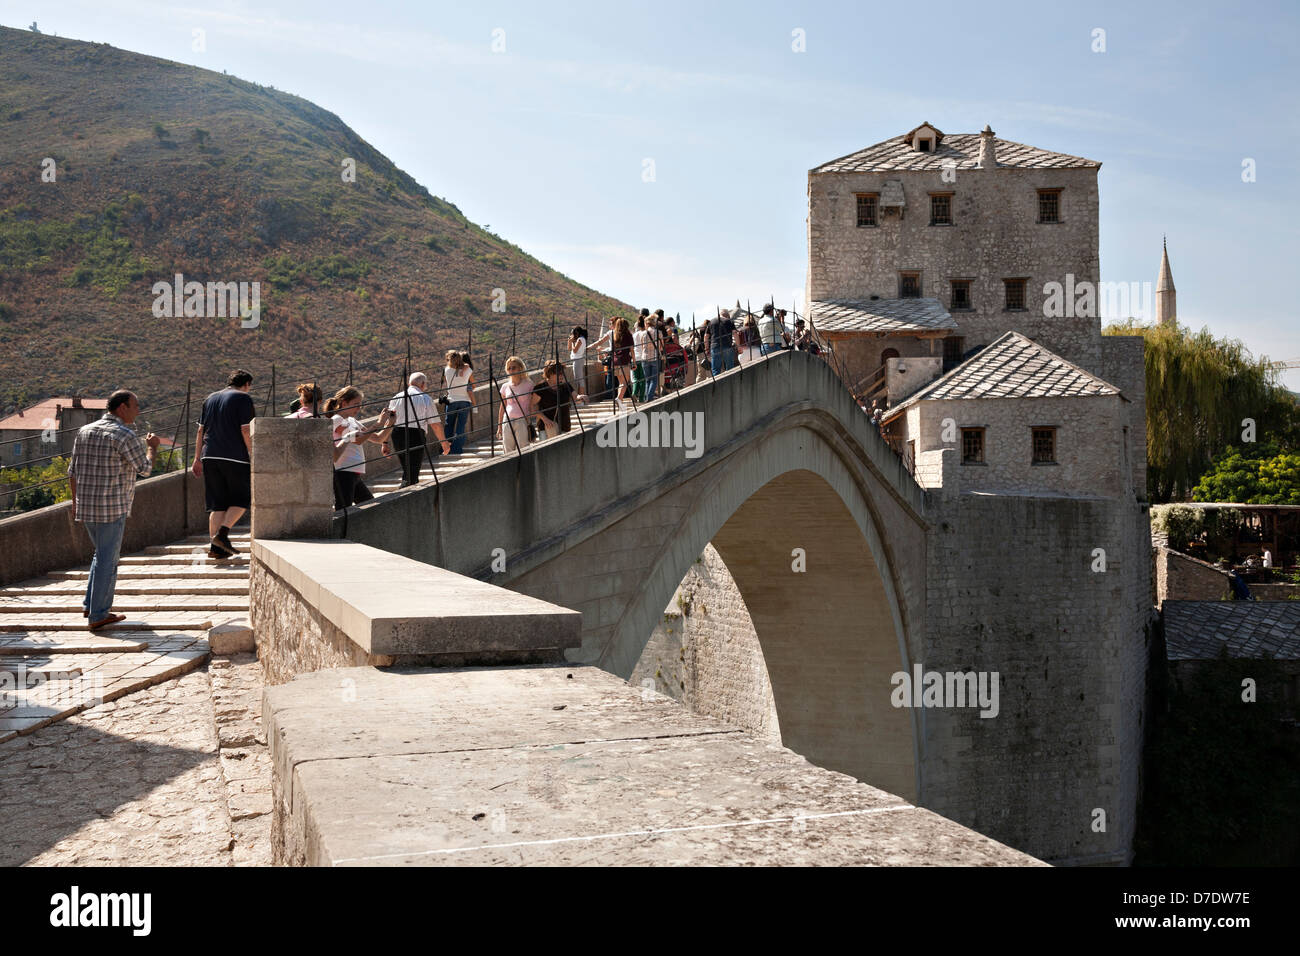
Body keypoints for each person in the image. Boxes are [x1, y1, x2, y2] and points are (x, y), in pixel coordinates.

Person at [66, 390, 160, 629]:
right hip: (111, 507)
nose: (138, 410)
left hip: (86, 506)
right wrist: (153, 447)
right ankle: (99, 615)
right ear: (122, 408)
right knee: (108, 559)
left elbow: (72, 472)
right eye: (135, 406)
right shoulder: (124, 435)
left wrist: (76, 502)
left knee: (101, 555)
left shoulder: (84, 431)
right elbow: (145, 468)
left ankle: (90, 604)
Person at [192, 370, 256, 558]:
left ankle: (216, 548)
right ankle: (222, 535)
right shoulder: (243, 398)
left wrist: (197, 458)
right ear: (246, 384)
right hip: (234, 457)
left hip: (209, 456)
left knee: (218, 504)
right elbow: (245, 430)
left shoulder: (210, 398)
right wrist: (253, 453)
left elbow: (200, 431)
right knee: (242, 500)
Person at [325, 386, 394, 509]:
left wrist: (390, 424)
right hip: (344, 471)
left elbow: (378, 438)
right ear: (344, 403)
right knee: (344, 510)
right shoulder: (337, 420)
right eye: (356, 404)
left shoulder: (352, 420)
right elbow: (358, 440)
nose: (359, 408)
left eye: (360, 404)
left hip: (353, 472)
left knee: (369, 507)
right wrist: (379, 423)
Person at [385, 372, 450, 487]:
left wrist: (384, 442)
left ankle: (407, 489)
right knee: (412, 470)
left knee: (407, 468)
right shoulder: (425, 398)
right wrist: (444, 442)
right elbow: (435, 424)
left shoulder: (396, 397)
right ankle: (406, 495)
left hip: (397, 434)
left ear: (410, 383)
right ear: (423, 384)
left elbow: (389, 421)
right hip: (415, 434)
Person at [534, 360, 582, 439]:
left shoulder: (565, 386)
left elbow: (576, 397)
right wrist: (545, 419)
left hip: (564, 426)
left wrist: (581, 397)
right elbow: (532, 407)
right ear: (549, 374)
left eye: (562, 373)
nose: (561, 375)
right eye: (558, 373)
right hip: (546, 428)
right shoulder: (540, 387)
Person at [498, 355, 537, 452]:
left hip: (522, 420)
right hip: (507, 420)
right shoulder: (505, 386)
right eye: (509, 368)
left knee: (523, 449)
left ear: (520, 368)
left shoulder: (529, 384)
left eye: (513, 367)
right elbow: (502, 406)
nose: (511, 370)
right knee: (508, 450)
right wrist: (499, 426)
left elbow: (534, 402)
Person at [442, 351, 474, 455]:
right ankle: (457, 449)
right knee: (460, 427)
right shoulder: (468, 369)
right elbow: (473, 384)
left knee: (449, 426)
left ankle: (447, 450)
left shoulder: (446, 370)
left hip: (451, 401)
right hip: (465, 401)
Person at [706, 309, 738, 375]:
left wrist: (706, 348)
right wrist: (738, 346)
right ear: (727, 315)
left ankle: (716, 384)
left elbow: (706, 336)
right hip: (727, 346)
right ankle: (730, 382)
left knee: (716, 370)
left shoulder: (711, 322)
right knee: (730, 369)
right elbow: (735, 333)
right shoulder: (729, 321)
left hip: (715, 347)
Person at [568, 326, 589, 397]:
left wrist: (573, 342)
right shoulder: (581, 339)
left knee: (579, 380)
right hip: (577, 360)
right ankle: (581, 397)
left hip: (578, 360)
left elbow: (574, 350)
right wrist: (570, 341)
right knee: (579, 379)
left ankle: (581, 398)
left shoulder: (580, 339)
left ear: (576, 333)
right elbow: (569, 348)